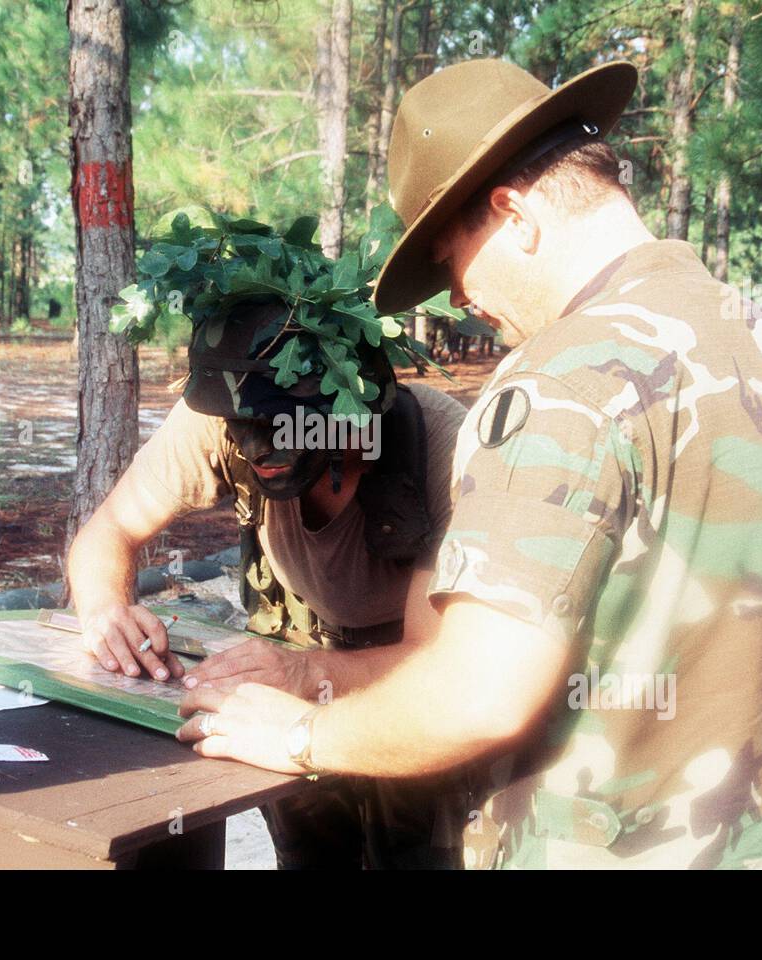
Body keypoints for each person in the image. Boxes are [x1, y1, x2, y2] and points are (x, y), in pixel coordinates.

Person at [177, 58, 762, 870]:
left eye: (452, 259)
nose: (460, 296)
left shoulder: (565, 379)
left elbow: (480, 693)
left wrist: (299, 732)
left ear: (516, 214)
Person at [66, 231, 470, 868]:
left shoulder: (443, 450)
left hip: (409, 686)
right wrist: (104, 610)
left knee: (417, 846)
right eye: (241, 426)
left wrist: (308, 677)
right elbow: (108, 531)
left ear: (351, 402)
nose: (254, 448)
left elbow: (437, 666)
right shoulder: (226, 404)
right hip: (295, 654)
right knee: (311, 855)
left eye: (280, 425)